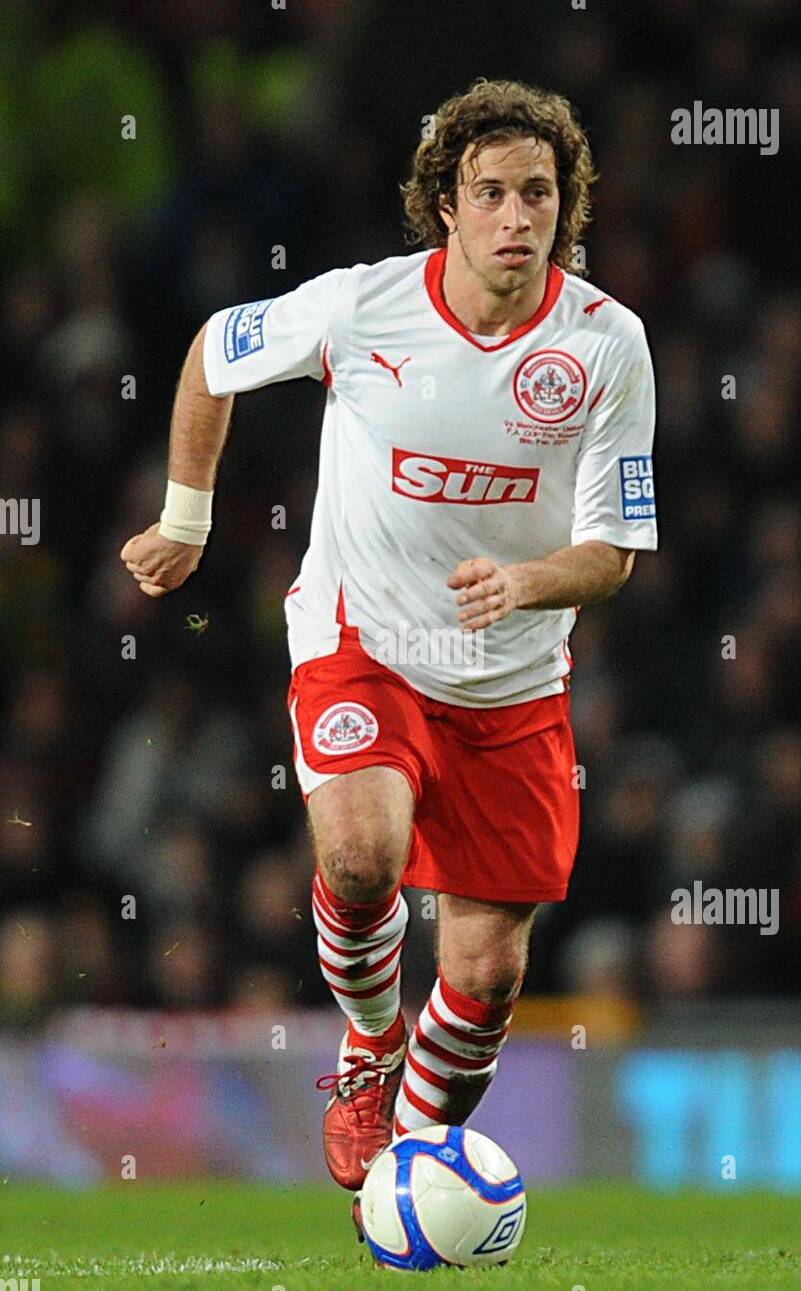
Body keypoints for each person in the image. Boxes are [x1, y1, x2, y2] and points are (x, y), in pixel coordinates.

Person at [119, 78, 657, 1205]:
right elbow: (217, 350)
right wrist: (185, 519)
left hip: (511, 679)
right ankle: (369, 1047)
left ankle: (401, 1175)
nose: (518, 216)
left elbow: (609, 554)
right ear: (445, 208)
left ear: (566, 207)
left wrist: (523, 579)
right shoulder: (364, 309)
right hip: (358, 636)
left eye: (539, 194)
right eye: (492, 193)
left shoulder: (608, 345)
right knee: (361, 857)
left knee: (487, 972)